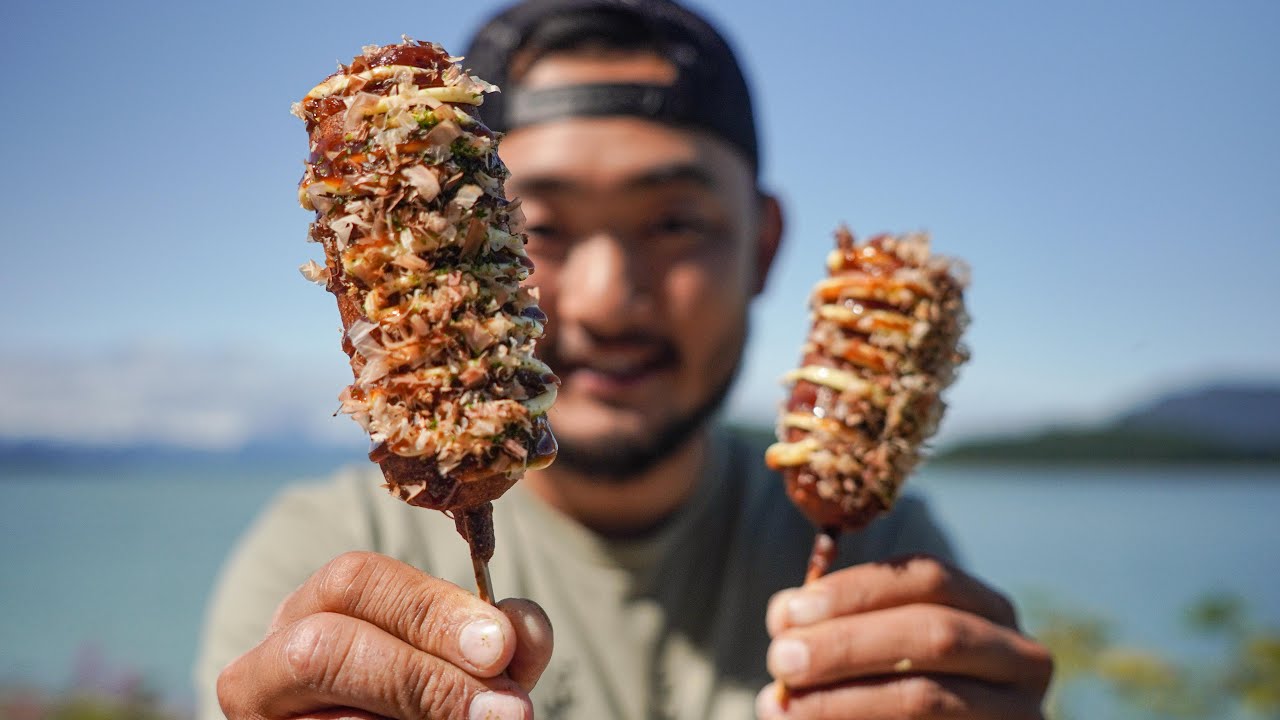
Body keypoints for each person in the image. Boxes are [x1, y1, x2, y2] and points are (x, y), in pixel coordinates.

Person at [198, 1, 1053, 718]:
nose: (609, 301)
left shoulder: (889, 557)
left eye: (676, 224)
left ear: (763, 249)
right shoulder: (327, 553)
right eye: (537, 228)